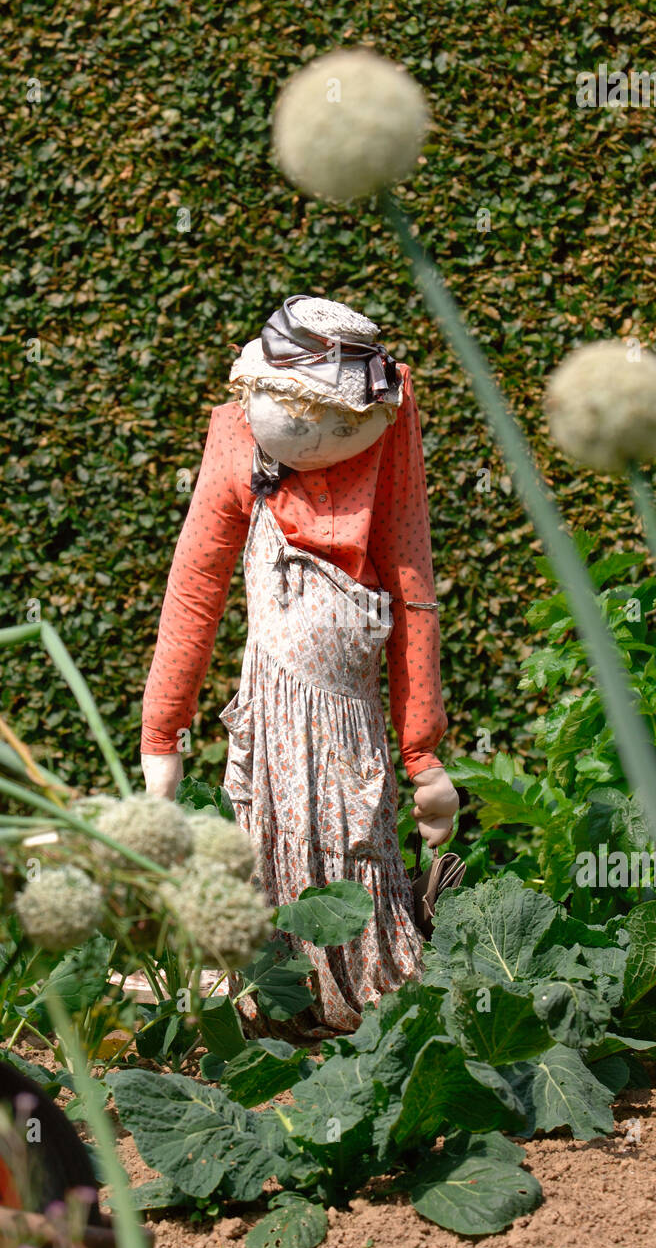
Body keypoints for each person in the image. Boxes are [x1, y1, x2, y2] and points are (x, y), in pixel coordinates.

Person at [140, 295, 458, 1036]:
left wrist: (421, 753)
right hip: (271, 713)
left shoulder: (387, 445)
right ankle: (274, 999)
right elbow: (194, 587)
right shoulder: (235, 442)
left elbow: (412, 591)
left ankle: (365, 1000)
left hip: (351, 730)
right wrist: (163, 734)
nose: (322, 435)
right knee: (267, 845)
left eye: (342, 421)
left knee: (355, 843)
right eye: (304, 414)